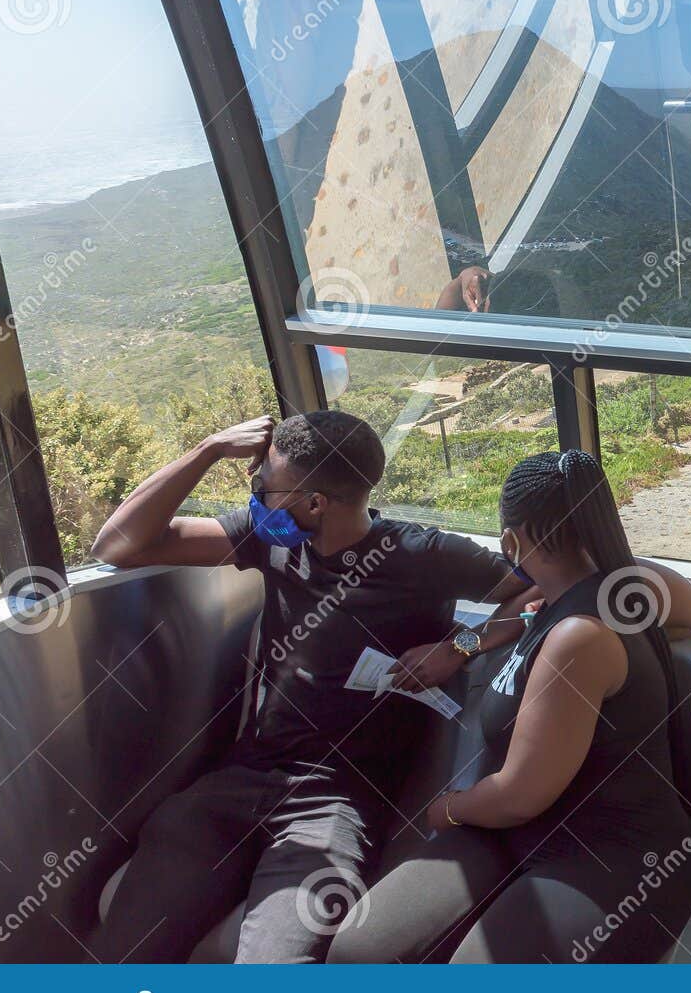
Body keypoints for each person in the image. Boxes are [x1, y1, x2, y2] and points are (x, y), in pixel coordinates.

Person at [88, 410, 539, 963]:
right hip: (237, 783)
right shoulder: (269, 540)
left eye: (263, 485)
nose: (256, 496)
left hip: (334, 804)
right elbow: (116, 546)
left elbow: (539, 589)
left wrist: (458, 648)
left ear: (315, 502)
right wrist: (207, 450)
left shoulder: (423, 555)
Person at [328, 449, 691, 963]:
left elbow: (518, 796)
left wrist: (445, 809)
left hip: (609, 855)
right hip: (515, 837)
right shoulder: (600, 594)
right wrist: (466, 644)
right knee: (359, 953)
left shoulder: (579, 638)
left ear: (511, 541)